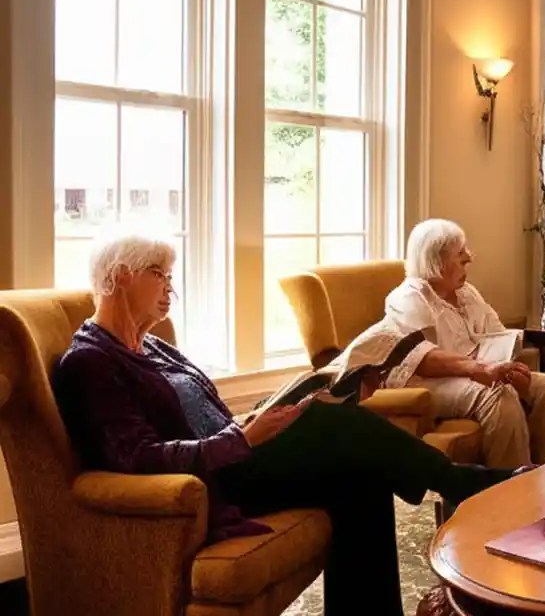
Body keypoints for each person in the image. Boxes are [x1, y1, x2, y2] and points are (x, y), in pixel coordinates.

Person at [52, 230, 519, 616]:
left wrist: (261, 416)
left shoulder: (153, 347)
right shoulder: (90, 362)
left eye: (171, 278)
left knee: (360, 475)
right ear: (118, 278)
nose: (170, 290)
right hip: (214, 478)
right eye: (160, 276)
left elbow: (200, 415)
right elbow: (136, 457)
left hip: (236, 452)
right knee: (328, 422)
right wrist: (238, 439)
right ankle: (462, 484)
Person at [332, 219, 545, 469]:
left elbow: (498, 336)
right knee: (498, 394)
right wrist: (481, 370)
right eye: (460, 254)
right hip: (428, 380)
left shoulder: (467, 293)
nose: (470, 257)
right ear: (437, 261)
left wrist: (509, 367)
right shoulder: (408, 298)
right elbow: (423, 359)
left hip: (476, 371)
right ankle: (509, 489)